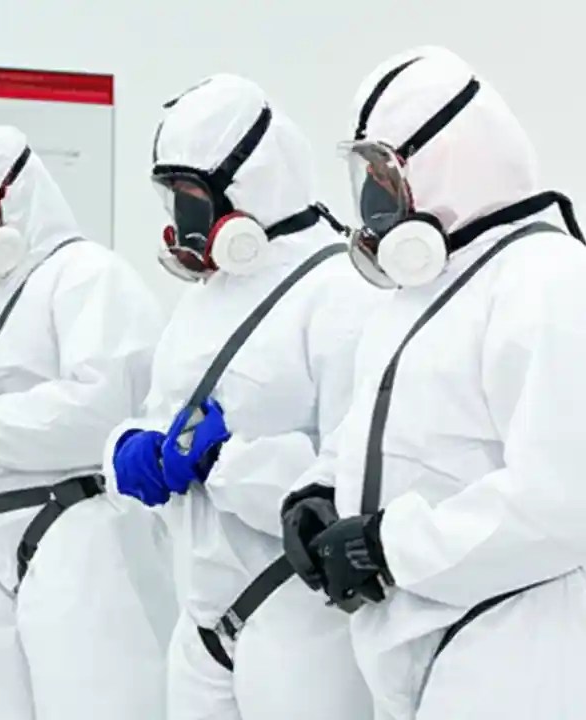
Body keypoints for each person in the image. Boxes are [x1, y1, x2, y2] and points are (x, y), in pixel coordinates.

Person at [280, 46, 586, 720]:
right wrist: (320, 489)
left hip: (515, 644)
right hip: (415, 640)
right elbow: (380, 426)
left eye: (385, 171)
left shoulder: (549, 279)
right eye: (366, 172)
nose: (373, 196)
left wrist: (388, 547)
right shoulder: (420, 290)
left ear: (452, 156)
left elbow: (564, 499)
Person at [108, 74, 377, 720]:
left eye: (193, 199)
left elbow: (358, 476)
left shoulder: (341, 291)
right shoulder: (205, 297)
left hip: (302, 628)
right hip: (199, 624)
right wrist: (129, 448)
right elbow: (161, 413)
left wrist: (227, 462)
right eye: (173, 198)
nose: (183, 222)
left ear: (249, 184)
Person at [0, 116, 174, 720]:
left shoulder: (89, 276)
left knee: (93, 704)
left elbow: (104, 411)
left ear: (17, 194)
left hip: (78, 533)